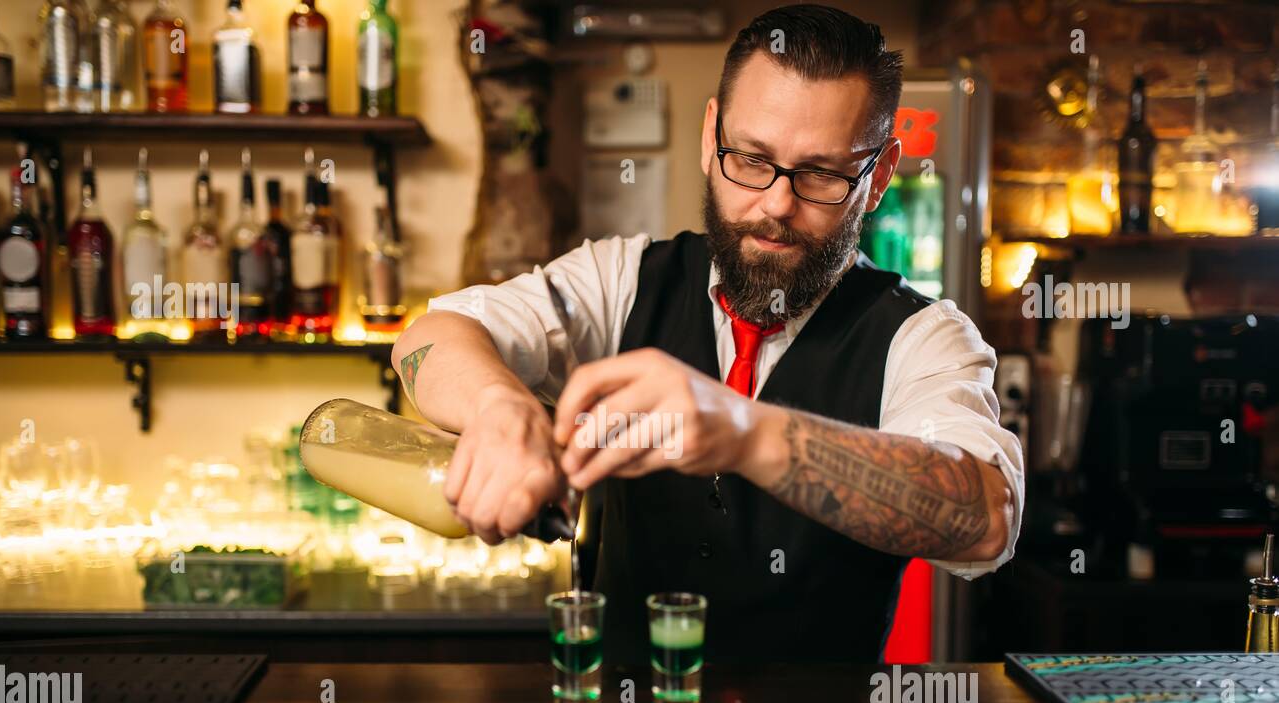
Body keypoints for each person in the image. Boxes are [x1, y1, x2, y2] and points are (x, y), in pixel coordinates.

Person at [392, 4, 1024, 664]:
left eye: (822, 175)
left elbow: (983, 519)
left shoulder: (922, 338)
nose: (777, 204)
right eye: (751, 159)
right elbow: (427, 338)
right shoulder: (621, 280)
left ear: (880, 176)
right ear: (709, 137)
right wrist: (500, 407)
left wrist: (745, 431)